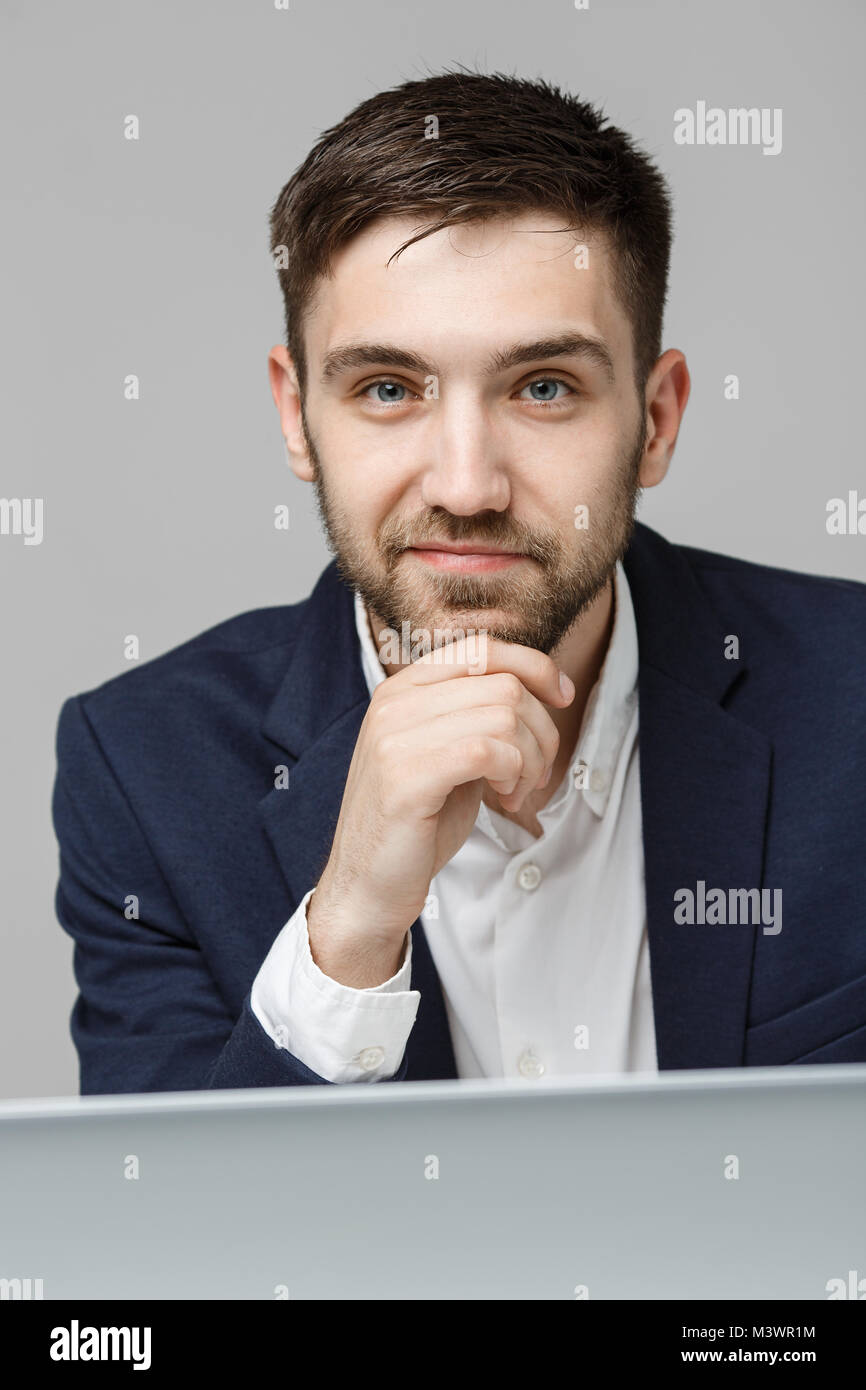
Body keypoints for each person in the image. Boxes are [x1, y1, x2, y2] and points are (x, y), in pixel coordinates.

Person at [52, 70, 866, 1094]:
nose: (466, 485)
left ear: (654, 420)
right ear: (298, 417)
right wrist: (345, 932)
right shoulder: (141, 769)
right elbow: (175, 1241)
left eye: (542, 387)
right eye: (387, 389)